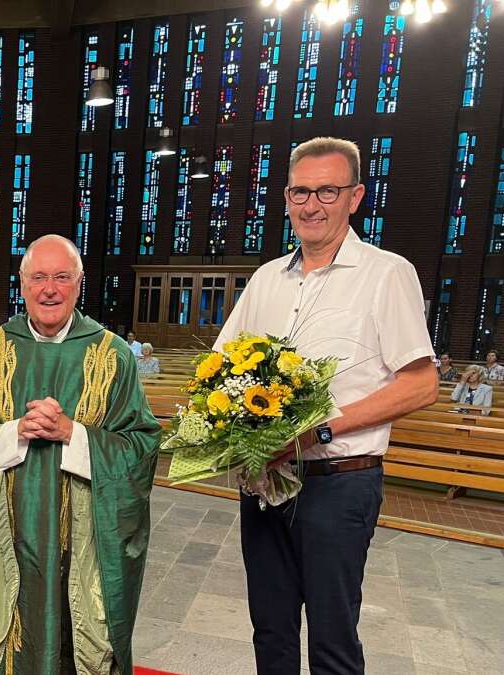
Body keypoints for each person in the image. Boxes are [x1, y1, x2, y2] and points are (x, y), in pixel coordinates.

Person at [215, 137, 437, 674]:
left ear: (355, 196)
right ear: (287, 198)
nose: (312, 205)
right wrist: (228, 429)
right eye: (300, 192)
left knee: (333, 642)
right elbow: (220, 372)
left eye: (327, 191)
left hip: (340, 482)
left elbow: (421, 383)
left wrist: (319, 431)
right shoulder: (267, 278)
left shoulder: (386, 273)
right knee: (270, 633)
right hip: (266, 482)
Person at [0, 234, 160, 673]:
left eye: (61, 277)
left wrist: (74, 434)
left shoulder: (112, 354)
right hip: (4, 534)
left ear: (79, 283)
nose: (49, 289)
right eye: (38, 278)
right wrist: (13, 432)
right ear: (22, 285)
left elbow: (141, 444)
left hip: (81, 542)